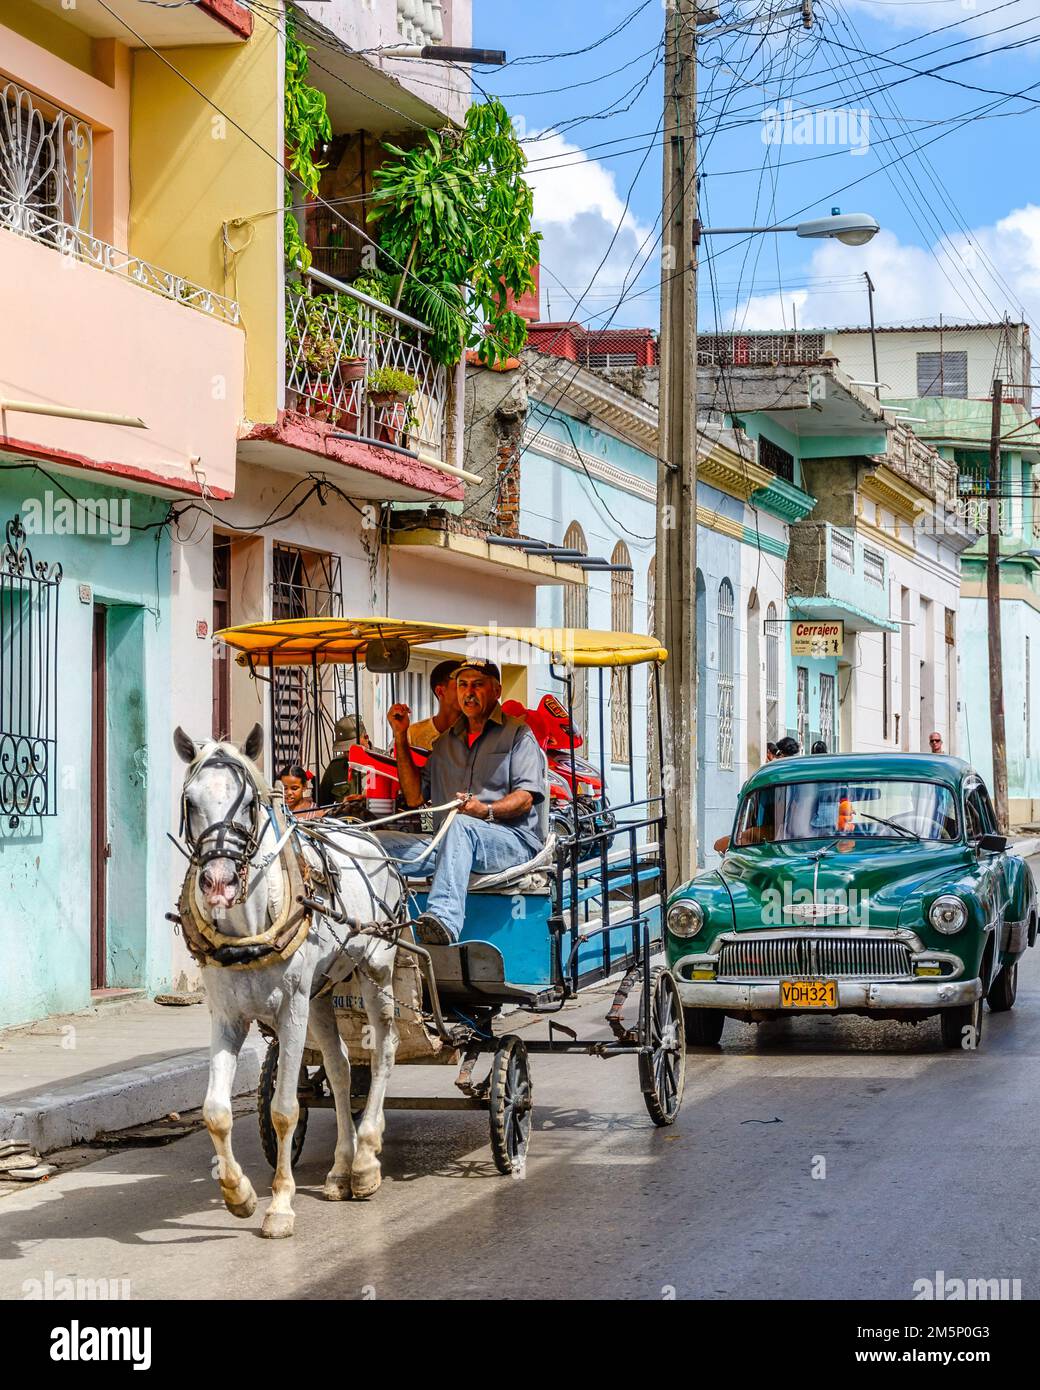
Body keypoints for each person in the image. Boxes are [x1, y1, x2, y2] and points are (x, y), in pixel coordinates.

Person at [376, 658, 547, 945]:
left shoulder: (518, 734)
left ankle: (443, 919)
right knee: (376, 844)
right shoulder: (445, 743)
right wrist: (401, 737)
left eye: (478, 685)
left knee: (461, 826)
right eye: (463, 685)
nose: (469, 692)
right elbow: (416, 796)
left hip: (512, 842)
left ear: (496, 691)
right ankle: (369, 925)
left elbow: (526, 798)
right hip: (450, 844)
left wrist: (486, 810)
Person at [406, 659, 462, 752]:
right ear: (440, 691)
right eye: (461, 685)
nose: (467, 693)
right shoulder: (413, 734)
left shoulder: (476, 732)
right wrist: (400, 734)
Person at [316, 714, 370, 807]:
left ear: (366, 738)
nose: (349, 754)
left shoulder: (383, 761)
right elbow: (322, 804)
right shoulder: (335, 767)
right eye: (345, 750)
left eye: (353, 748)